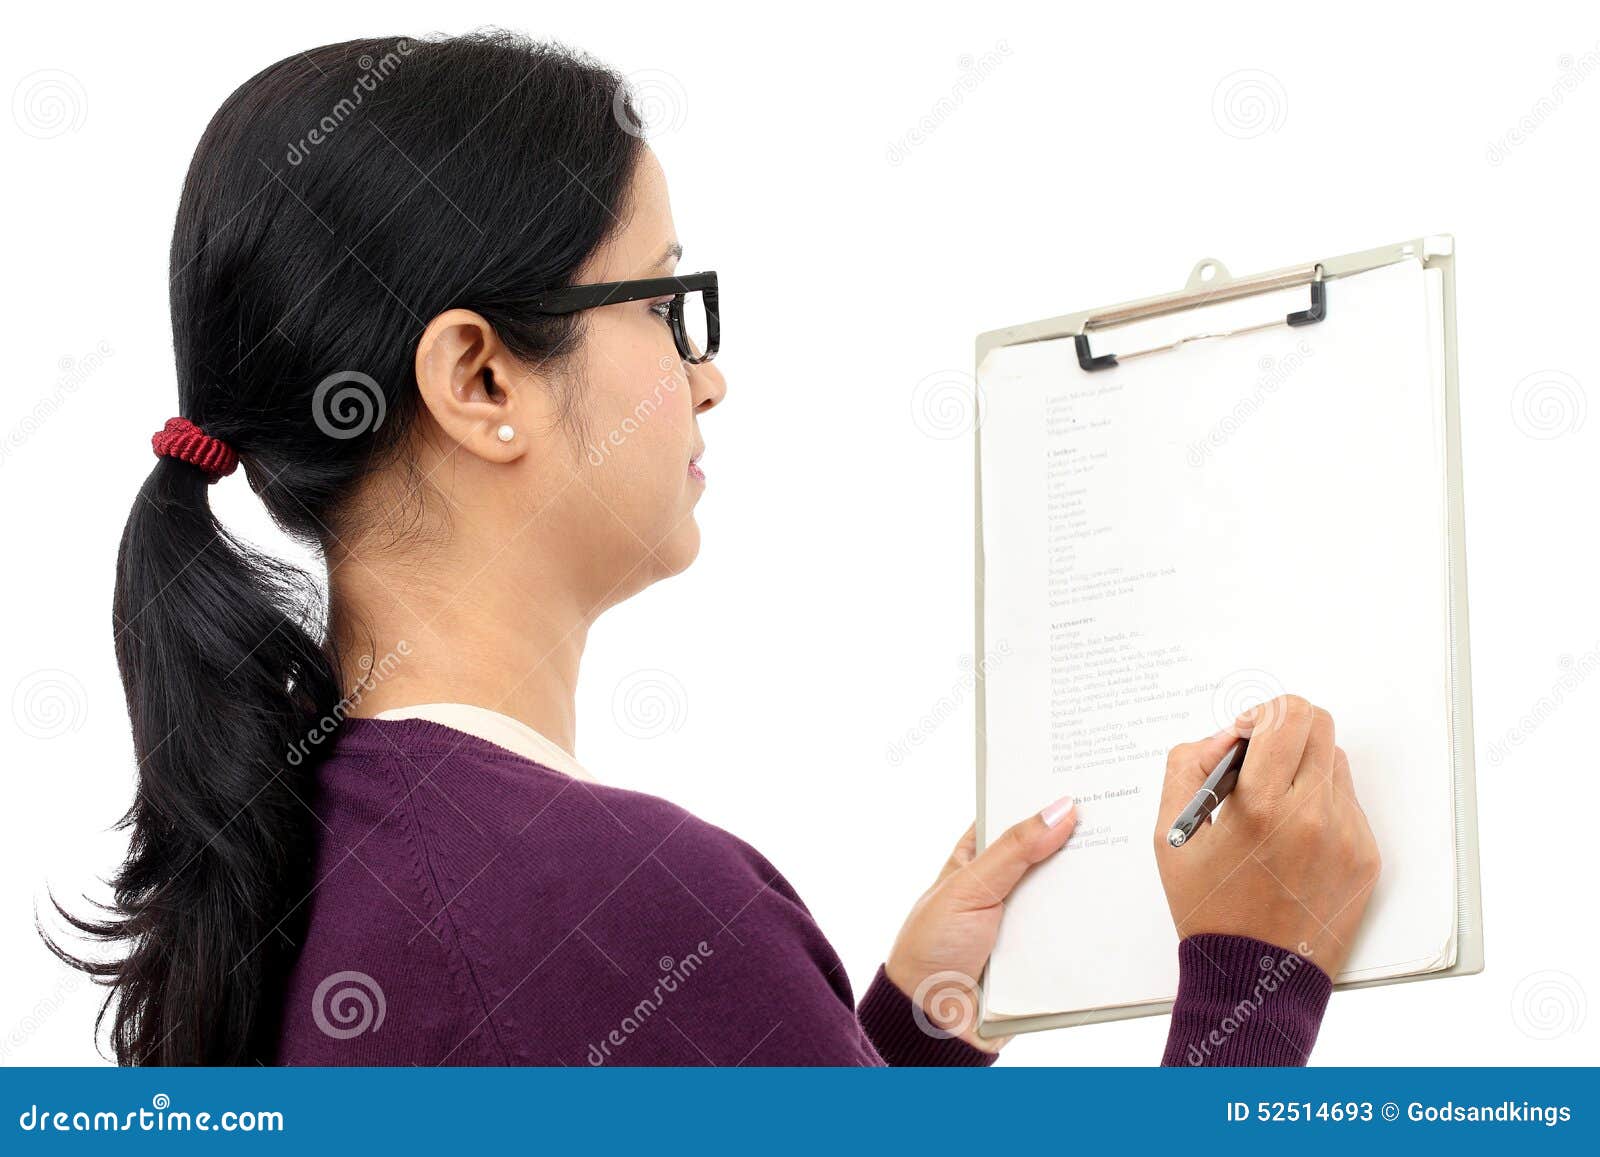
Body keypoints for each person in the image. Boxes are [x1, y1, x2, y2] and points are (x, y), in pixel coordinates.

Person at [51, 31, 1380, 1066]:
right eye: (666, 301)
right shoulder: (611, 905)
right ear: (481, 378)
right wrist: (1254, 985)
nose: (710, 377)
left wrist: (905, 1030)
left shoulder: (312, 848)